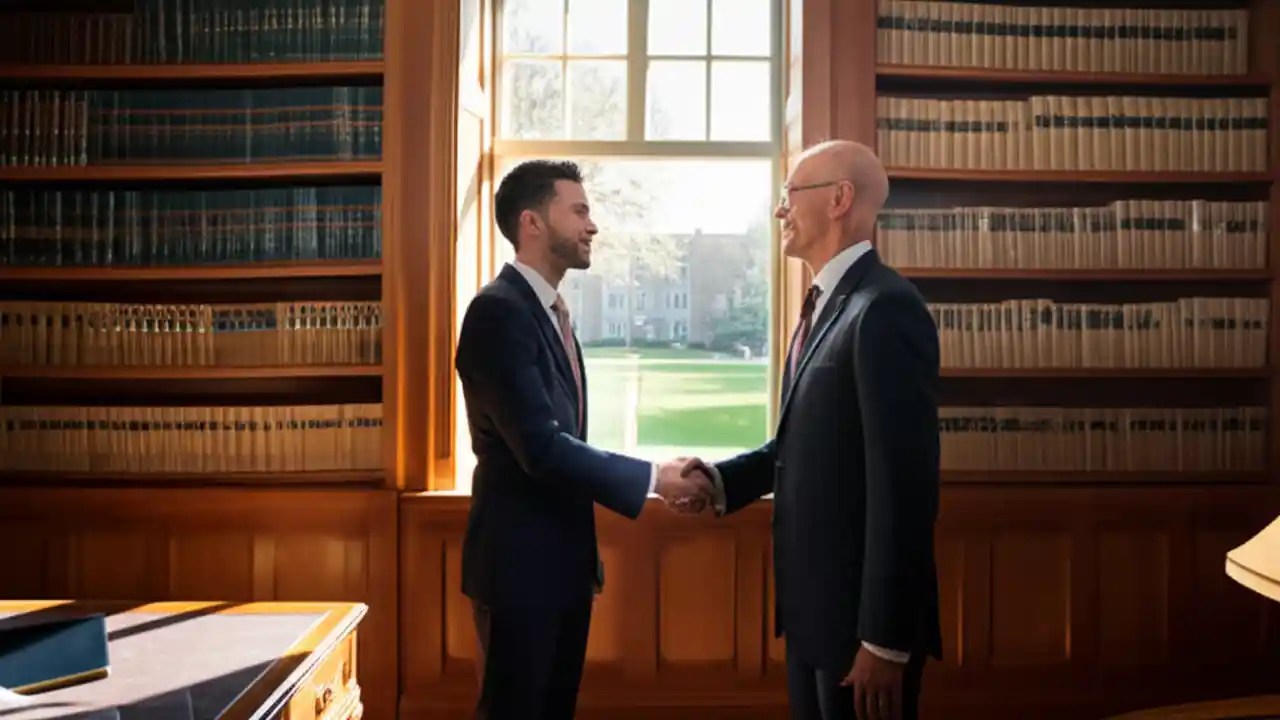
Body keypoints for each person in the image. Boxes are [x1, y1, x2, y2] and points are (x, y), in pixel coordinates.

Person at [678, 140, 942, 720]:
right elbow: (804, 443)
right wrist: (718, 481)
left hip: (861, 631)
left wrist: (885, 639)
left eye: (789, 195)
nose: (779, 211)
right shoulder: (827, 303)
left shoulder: (884, 309)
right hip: (814, 615)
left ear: (839, 200)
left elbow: (905, 487)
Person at [453, 159, 714, 720]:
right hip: (520, 573)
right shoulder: (496, 313)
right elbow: (542, 448)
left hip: (561, 569)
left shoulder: (549, 312)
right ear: (532, 223)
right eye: (579, 210)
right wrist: (653, 478)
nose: (591, 226)